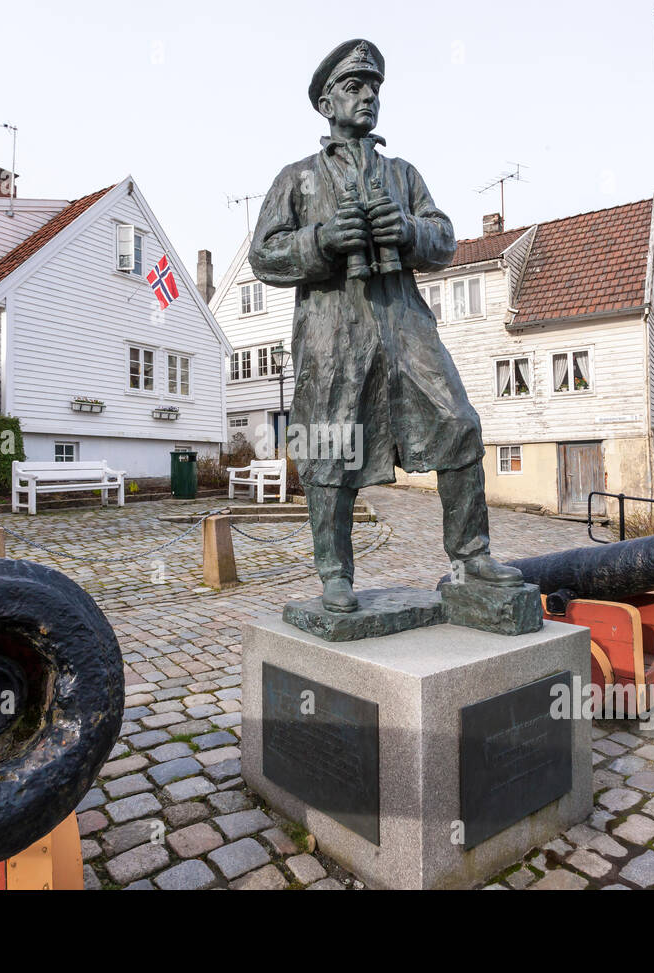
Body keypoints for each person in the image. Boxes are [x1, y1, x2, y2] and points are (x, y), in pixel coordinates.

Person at [249, 38, 523, 613]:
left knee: (458, 423)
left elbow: (443, 240)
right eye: (354, 87)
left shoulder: (402, 175)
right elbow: (264, 256)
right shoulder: (297, 179)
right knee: (329, 446)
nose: (368, 96)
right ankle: (335, 574)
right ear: (327, 103)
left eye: (374, 87)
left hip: (406, 327)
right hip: (332, 336)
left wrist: (407, 229)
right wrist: (322, 240)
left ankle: (471, 557)